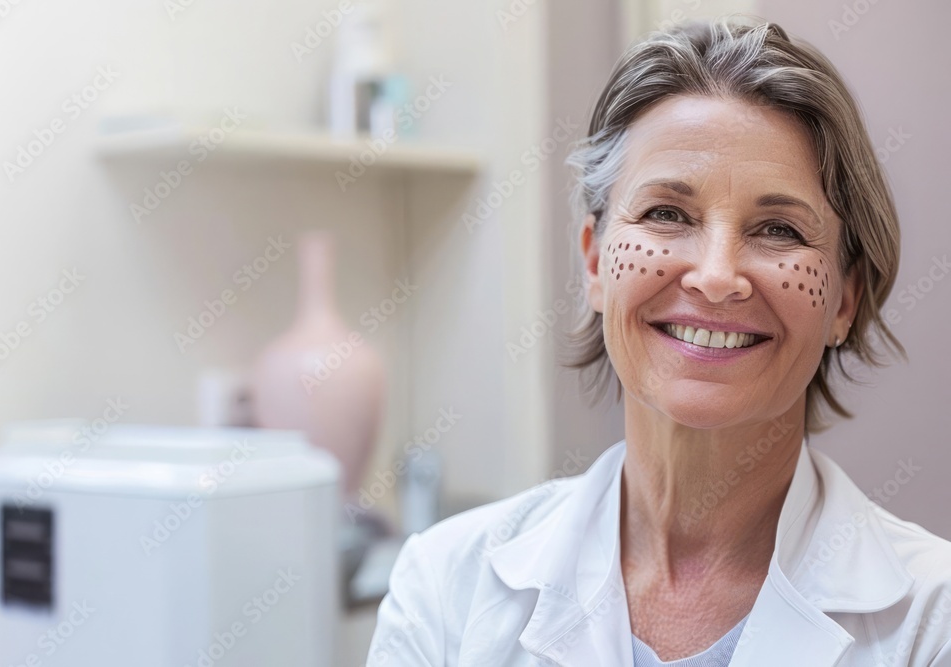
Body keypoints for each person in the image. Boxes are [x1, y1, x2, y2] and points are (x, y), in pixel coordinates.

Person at [366, 17, 951, 666]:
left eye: (779, 229)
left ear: (844, 298)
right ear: (595, 262)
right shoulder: (444, 590)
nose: (716, 276)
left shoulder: (933, 621)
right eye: (666, 214)